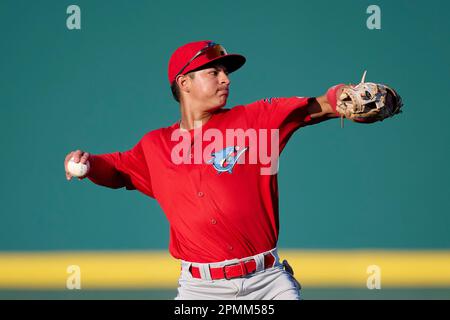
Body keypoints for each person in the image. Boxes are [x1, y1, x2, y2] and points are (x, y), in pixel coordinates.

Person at [64, 40, 400, 300]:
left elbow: (322, 105)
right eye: (213, 72)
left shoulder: (257, 120)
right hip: (200, 289)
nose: (225, 79)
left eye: (225, 72)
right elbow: (116, 169)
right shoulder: (155, 146)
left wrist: (343, 95)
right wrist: (87, 163)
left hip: (267, 282)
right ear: (185, 83)